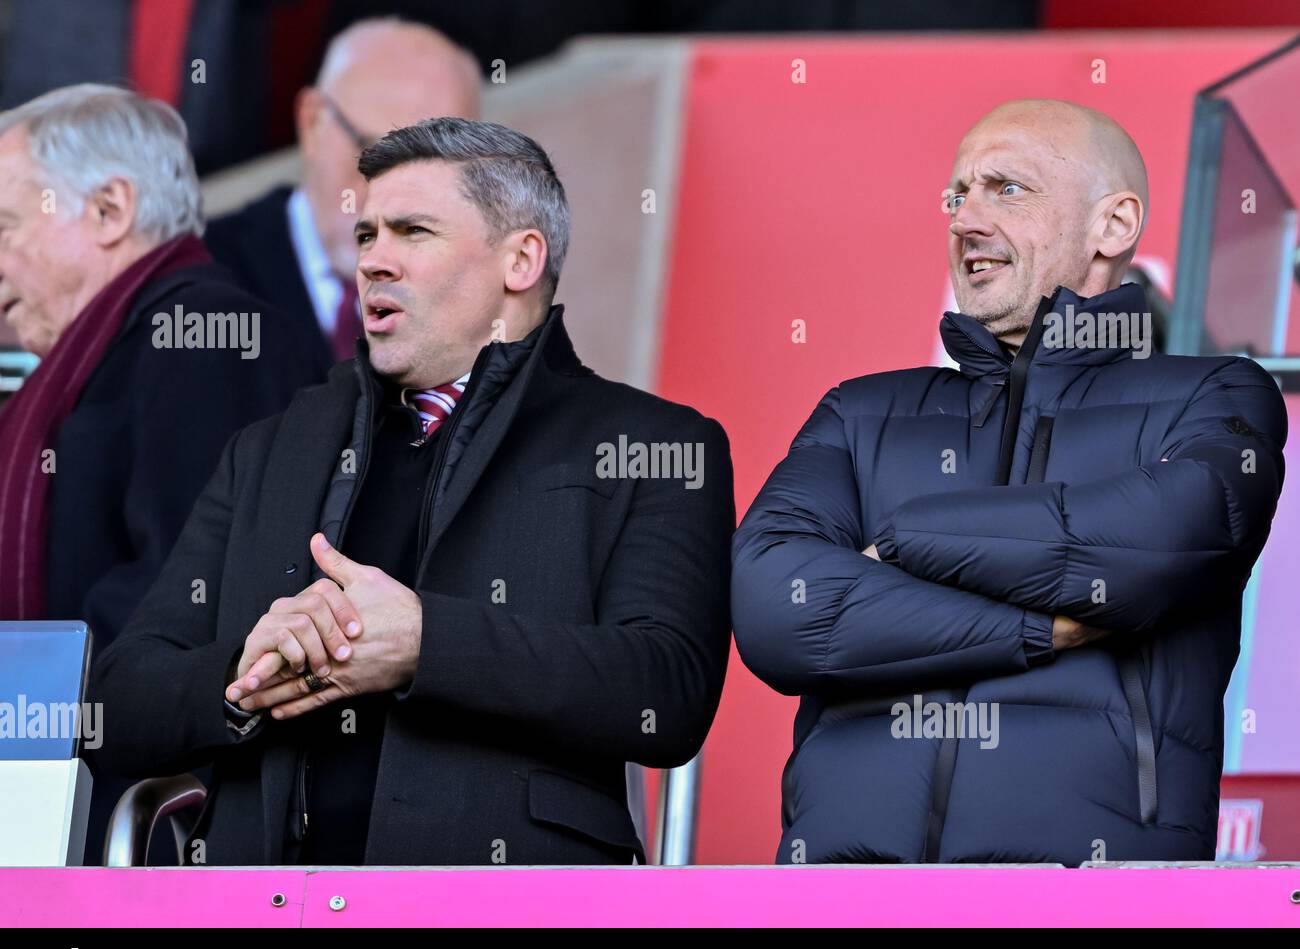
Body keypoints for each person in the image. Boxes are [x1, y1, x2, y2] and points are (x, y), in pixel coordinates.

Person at [89, 117, 734, 866]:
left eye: (412, 232)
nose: (373, 262)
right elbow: (119, 704)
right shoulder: (267, 450)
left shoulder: (654, 444)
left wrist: (428, 646)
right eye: (365, 236)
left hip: (511, 914)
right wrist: (247, 670)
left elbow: (668, 691)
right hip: (257, 905)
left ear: (520, 259)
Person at [732, 99, 1287, 865]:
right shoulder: (862, 410)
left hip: (1096, 904)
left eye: (1007, 189)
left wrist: (895, 545)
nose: (966, 221)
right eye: (957, 195)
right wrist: (1034, 627)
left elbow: (1152, 550)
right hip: (844, 895)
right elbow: (775, 607)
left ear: (1114, 226)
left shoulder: (1214, 394)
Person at [0, 84, 329, 861]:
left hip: (142, 817)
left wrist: (27, 700)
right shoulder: (109, 353)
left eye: (7, 226)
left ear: (110, 211)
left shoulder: (206, 341)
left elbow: (179, 598)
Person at [204, 17, 481, 362]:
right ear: (312, 122)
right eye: (371, 150)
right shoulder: (197, 284)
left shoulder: (478, 301)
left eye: (431, 166)